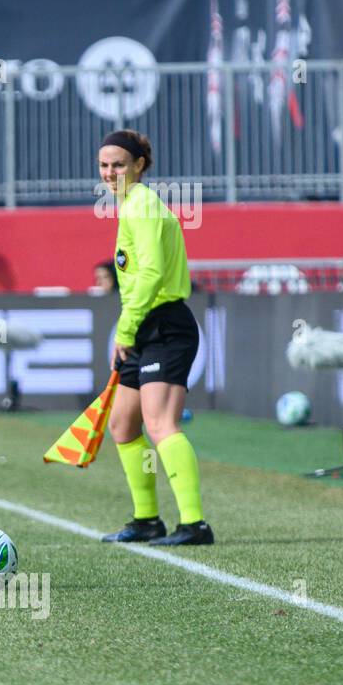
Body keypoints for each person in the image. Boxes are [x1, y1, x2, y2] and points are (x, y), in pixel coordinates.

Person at [97, 130, 213, 547]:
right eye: (105, 165)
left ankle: (195, 524)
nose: (110, 173)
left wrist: (125, 329)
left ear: (139, 166)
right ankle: (147, 520)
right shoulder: (132, 205)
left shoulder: (142, 204)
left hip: (163, 325)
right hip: (146, 326)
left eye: (119, 165)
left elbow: (150, 274)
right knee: (124, 426)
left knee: (161, 424)